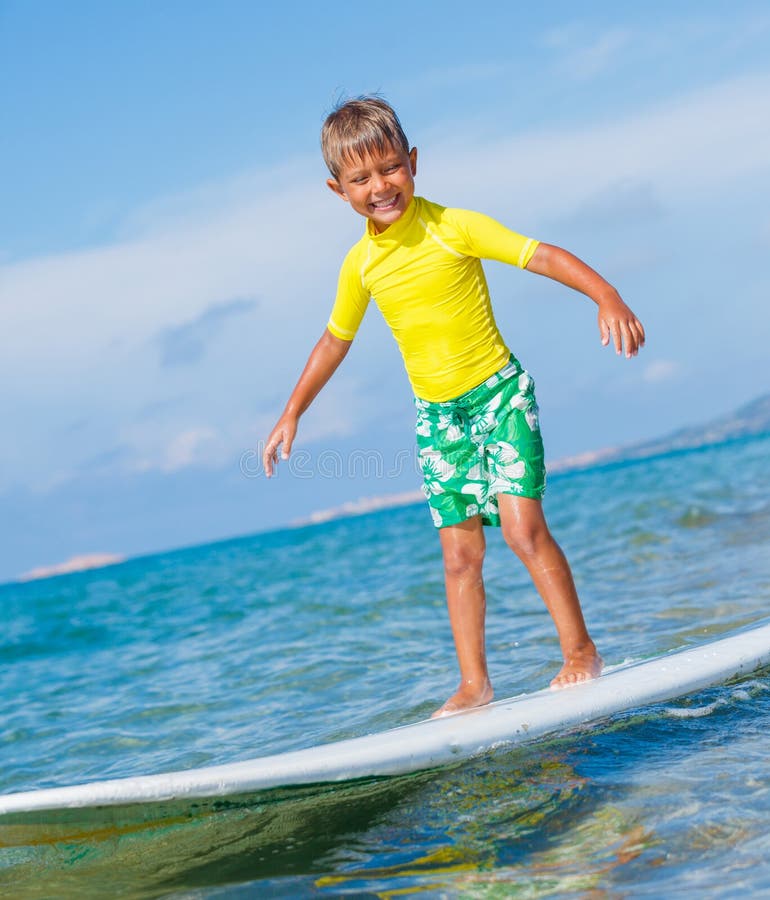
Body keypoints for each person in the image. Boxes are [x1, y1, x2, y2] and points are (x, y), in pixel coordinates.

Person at [263, 97, 645, 718]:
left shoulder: (452, 226)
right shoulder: (360, 266)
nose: (379, 187)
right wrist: (292, 412)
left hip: (499, 394)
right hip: (438, 419)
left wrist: (607, 295)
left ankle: (580, 652)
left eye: (390, 168)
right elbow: (335, 340)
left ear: (412, 162)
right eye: (361, 179)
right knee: (459, 555)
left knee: (524, 530)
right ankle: (475, 685)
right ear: (338, 191)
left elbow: (540, 254)